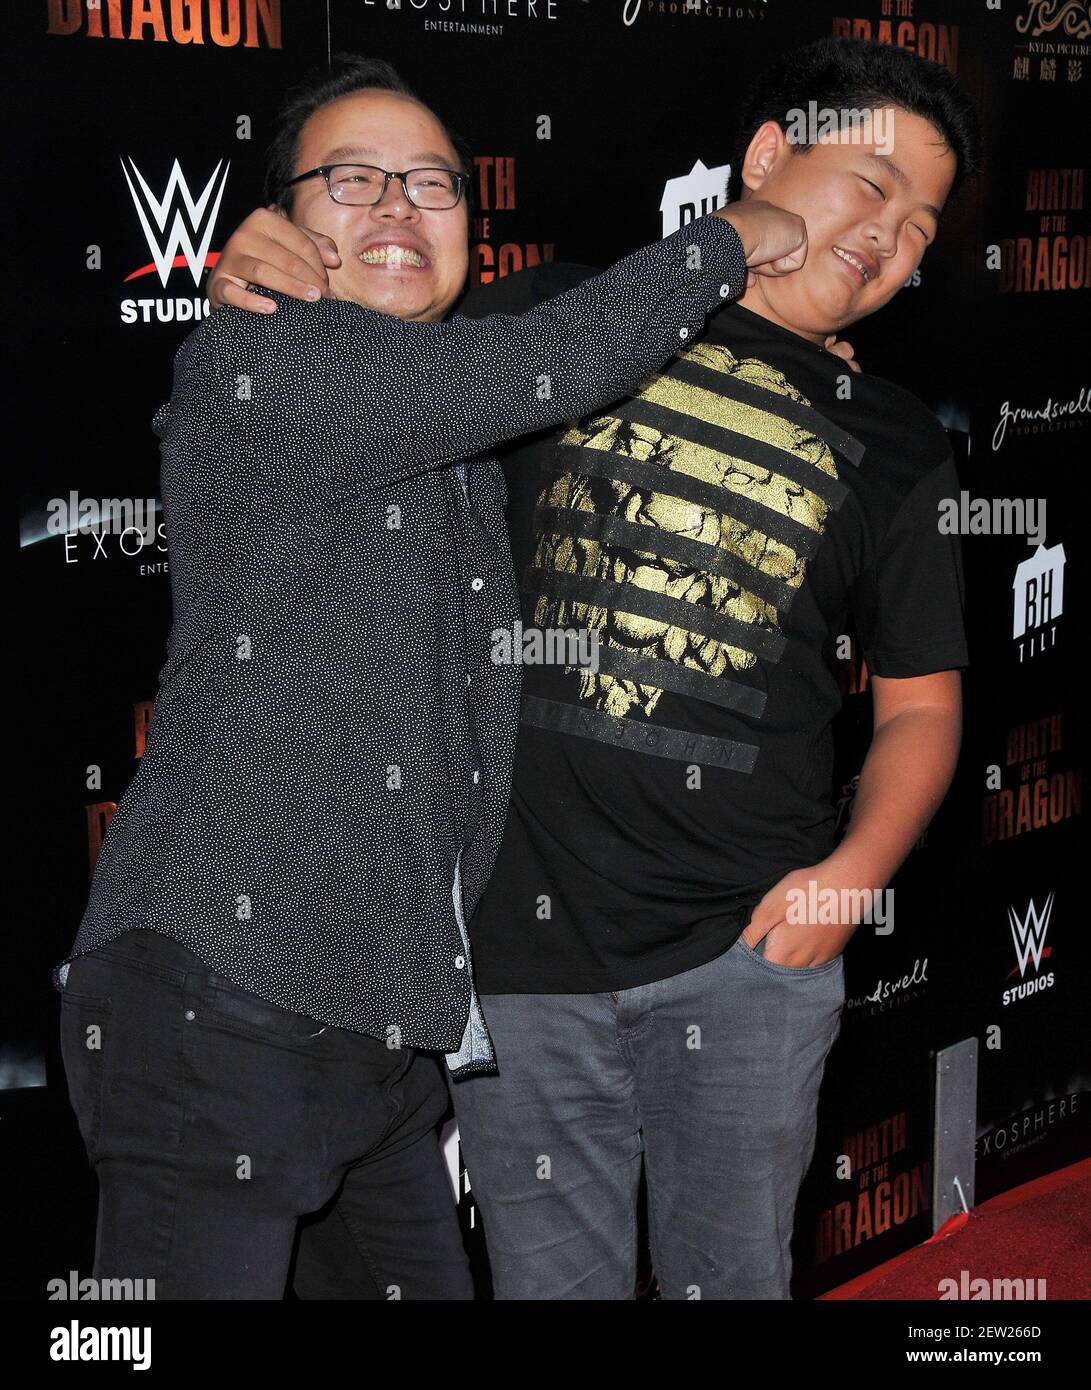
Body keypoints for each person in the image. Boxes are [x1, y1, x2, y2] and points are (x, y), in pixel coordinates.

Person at [207, 37, 978, 1299]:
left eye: (923, 227)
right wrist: (266, 264)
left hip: (745, 960)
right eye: (871, 188)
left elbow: (922, 706)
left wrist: (855, 876)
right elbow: (352, 350)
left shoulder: (895, 442)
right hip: (517, 965)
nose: (892, 236)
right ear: (770, 161)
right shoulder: (555, 311)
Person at [53, 54, 811, 1300]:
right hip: (221, 997)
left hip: (383, 1036)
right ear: (281, 227)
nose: (398, 208)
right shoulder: (266, 360)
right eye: (351, 182)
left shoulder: (445, 412)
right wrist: (736, 233)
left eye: (432, 185)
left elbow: (529, 368)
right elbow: (554, 361)